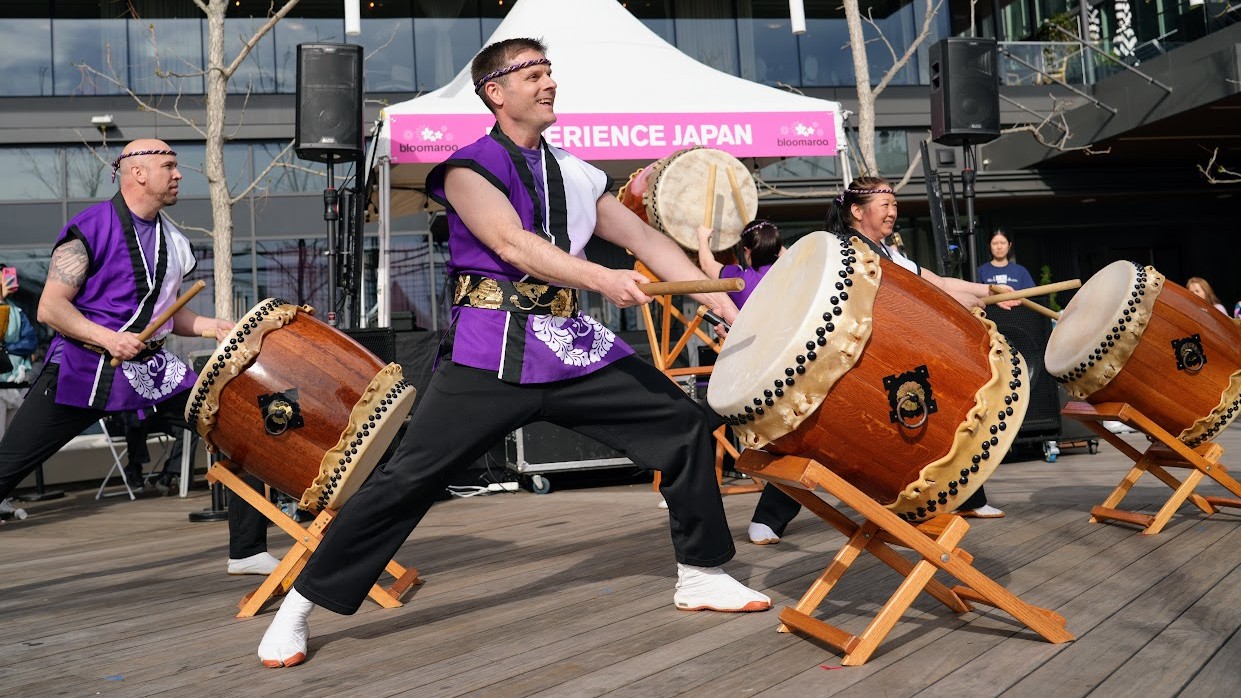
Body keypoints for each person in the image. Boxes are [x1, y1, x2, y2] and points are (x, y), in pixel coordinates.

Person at [255, 38, 770, 669]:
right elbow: (513, 244)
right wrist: (602, 279)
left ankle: (701, 573)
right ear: (495, 92)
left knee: (686, 428)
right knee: (408, 478)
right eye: (531, 73)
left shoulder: (577, 174)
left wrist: (718, 302)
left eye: (549, 71)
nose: (548, 81)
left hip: (572, 346)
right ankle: (301, 602)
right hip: (490, 352)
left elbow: (639, 236)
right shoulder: (467, 169)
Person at [0, 139, 279, 576]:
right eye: (168, 165)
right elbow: (51, 308)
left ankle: (247, 550)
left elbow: (169, 311)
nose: (178, 173)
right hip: (84, 366)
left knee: (235, 428)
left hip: (152, 369)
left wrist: (210, 325)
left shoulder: (175, 240)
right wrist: (110, 339)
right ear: (137, 172)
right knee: (10, 463)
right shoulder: (88, 229)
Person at [695, 220, 799, 544]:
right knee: (794, 443)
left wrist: (702, 238)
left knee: (699, 423)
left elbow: (706, 265)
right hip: (787, 370)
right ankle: (767, 521)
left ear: (748, 249)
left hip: (744, 372)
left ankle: (683, 483)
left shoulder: (738, 276)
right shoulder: (789, 276)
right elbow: (787, 255)